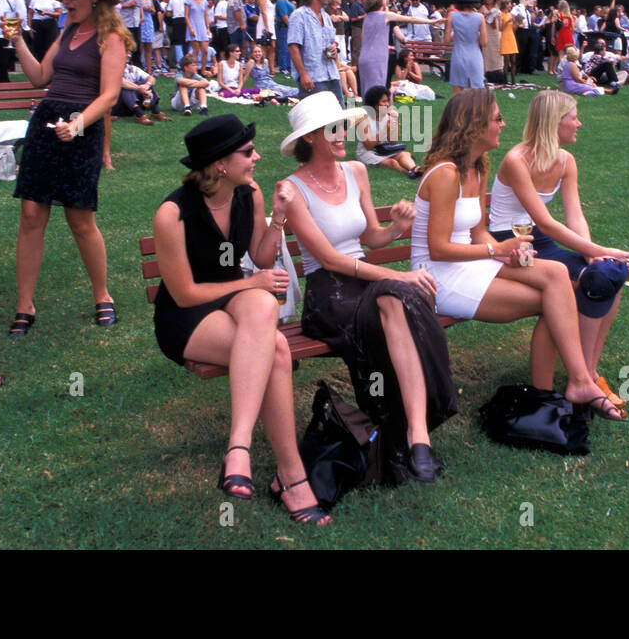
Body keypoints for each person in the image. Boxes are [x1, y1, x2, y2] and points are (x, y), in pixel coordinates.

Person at [152, 115, 332, 524]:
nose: (257, 157)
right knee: (278, 348)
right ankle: (291, 476)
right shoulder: (173, 213)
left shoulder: (247, 194)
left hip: (236, 301)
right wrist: (253, 285)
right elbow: (184, 294)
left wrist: (279, 216)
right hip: (186, 317)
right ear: (219, 164)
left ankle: (239, 447)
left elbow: (261, 257)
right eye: (247, 152)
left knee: (265, 307)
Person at [281, 93, 455, 482]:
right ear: (310, 138)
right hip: (330, 295)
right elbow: (328, 260)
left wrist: (395, 228)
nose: (343, 134)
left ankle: (417, 436)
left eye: (343, 125)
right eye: (332, 129)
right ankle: (410, 435)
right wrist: (396, 276)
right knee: (397, 295)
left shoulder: (357, 171)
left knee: (396, 302)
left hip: (365, 284)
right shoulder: (292, 189)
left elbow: (371, 239)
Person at [411, 89, 618, 416]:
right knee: (556, 299)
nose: (503, 125)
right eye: (497, 119)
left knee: (557, 275)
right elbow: (437, 249)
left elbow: (477, 230)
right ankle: (560, 389)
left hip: (470, 261)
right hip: (438, 276)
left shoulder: (477, 167)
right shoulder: (445, 174)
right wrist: (497, 249)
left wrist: (504, 254)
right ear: (475, 125)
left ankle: (569, 385)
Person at [488, 91, 629, 408]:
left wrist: (593, 254)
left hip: (538, 240)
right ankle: (581, 381)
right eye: (573, 117)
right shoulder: (516, 161)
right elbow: (545, 221)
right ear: (553, 123)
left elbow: (575, 215)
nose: (579, 123)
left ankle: (588, 372)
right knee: (589, 282)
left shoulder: (565, 161)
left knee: (610, 274)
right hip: (510, 242)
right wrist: (598, 249)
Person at [7, 0, 131, 335]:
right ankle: (24, 305)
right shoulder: (66, 33)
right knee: (31, 215)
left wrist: (78, 123)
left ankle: (102, 296)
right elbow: (39, 78)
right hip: (47, 122)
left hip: (83, 125)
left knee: (80, 219)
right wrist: (16, 41)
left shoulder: (111, 39)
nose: (65, 0)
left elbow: (109, 96)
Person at [287, 0, 343, 104]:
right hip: (313, 78)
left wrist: (334, 49)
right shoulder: (299, 16)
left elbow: (331, 42)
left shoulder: (327, 17)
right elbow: (293, 47)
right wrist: (303, 74)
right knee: (318, 122)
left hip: (332, 75)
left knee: (339, 120)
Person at [356, 85, 420, 177]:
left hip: (385, 149)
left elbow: (393, 143)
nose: (387, 104)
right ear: (374, 103)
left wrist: (392, 128)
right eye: (384, 101)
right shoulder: (363, 117)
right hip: (367, 151)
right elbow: (368, 146)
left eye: (388, 101)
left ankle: (415, 169)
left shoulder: (392, 115)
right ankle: (409, 174)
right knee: (392, 162)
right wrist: (384, 129)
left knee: (404, 155)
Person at [445, 0, 485, 95]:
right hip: (474, 55)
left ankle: (457, 112)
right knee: (476, 92)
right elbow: (484, 42)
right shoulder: (480, 17)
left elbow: (446, 40)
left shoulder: (452, 15)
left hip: (458, 54)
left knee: (457, 93)